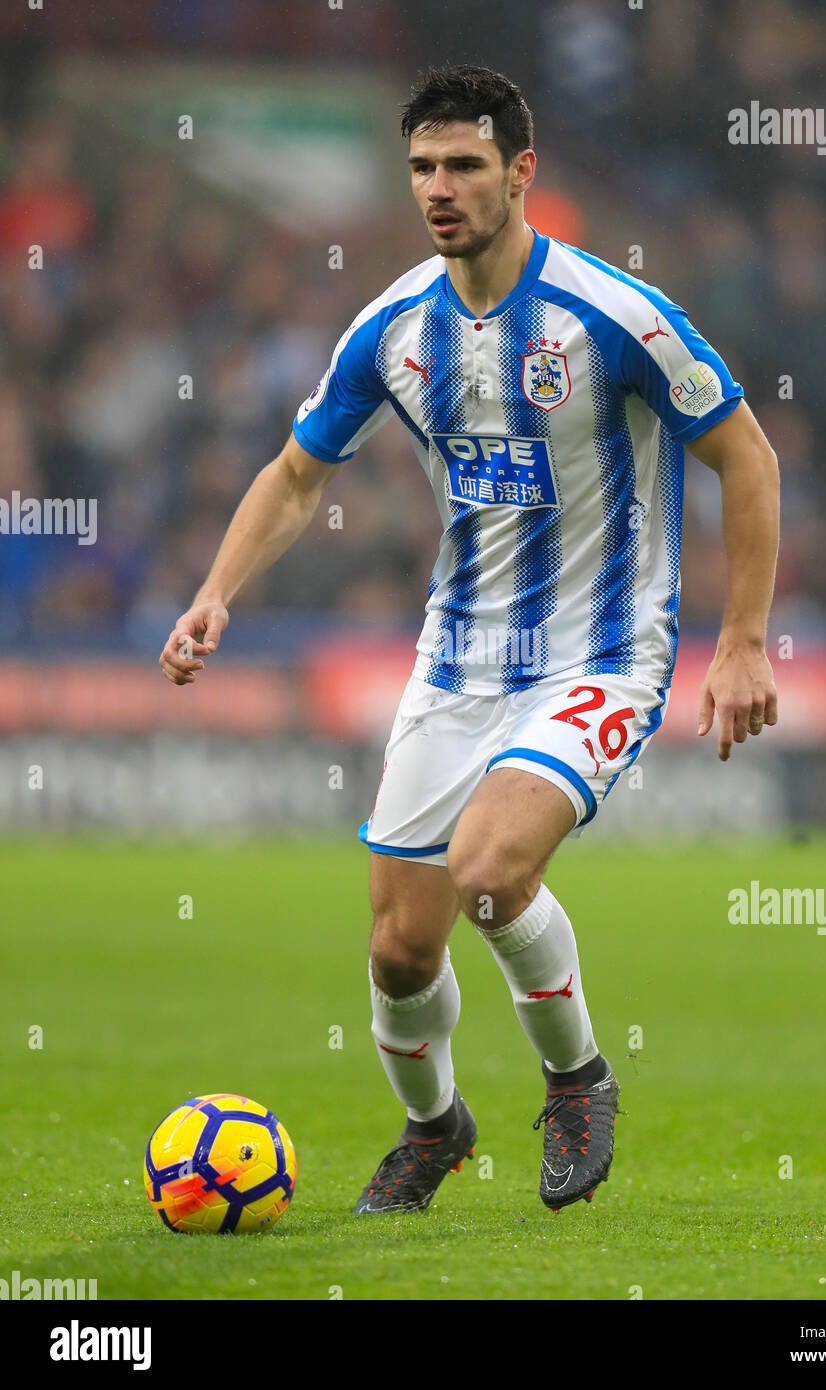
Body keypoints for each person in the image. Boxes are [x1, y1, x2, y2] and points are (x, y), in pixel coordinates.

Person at [159, 64, 780, 1215]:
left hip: (599, 655)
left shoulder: (616, 315)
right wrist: (216, 592)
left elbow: (747, 454)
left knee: (491, 871)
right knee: (399, 952)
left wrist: (743, 639)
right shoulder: (393, 325)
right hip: (455, 664)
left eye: (464, 166)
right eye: (422, 169)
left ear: (521, 173)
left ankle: (577, 1076)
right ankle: (436, 1128)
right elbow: (298, 475)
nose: (438, 189)